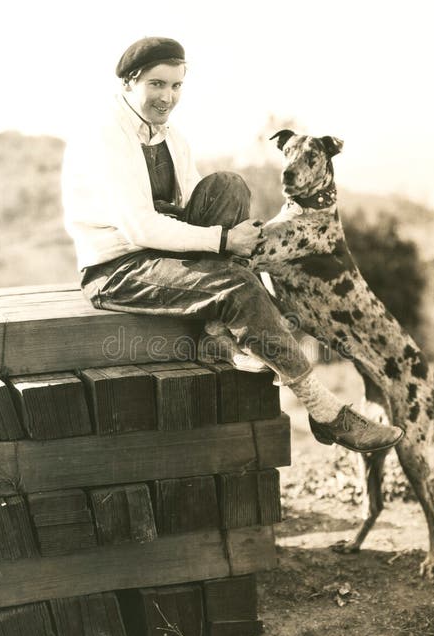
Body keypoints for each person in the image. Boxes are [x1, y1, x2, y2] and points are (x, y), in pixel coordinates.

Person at [61, 36, 403, 453]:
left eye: (176, 86)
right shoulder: (106, 136)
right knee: (237, 287)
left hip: (161, 253)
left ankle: (224, 333)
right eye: (156, 84)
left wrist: (239, 244)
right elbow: (139, 230)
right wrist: (226, 242)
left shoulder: (171, 137)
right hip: (117, 271)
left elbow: (193, 208)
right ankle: (327, 413)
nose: (167, 97)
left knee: (228, 187)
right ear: (130, 83)